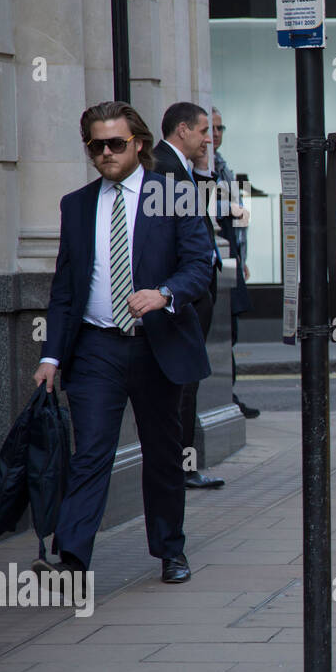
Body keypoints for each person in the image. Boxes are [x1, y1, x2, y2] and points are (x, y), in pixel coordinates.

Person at [32, 100, 214, 583]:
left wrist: (164, 294)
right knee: (91, 451)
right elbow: (65, 288)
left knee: (162, 452)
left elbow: (200, 266)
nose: (106, 152)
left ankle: (170, 551)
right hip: (96, 347)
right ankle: (71, 557)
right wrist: (51, 354)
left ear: (138, 143)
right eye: (97, 145)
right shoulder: (76, 204)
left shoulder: (174, 194)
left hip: (158, 345)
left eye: (116, 143)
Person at [153, 102, 225, 490]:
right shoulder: (163, 166)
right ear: (182, 129)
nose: (208, 138)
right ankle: (183, 466)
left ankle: (185, 464)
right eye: (202, 131)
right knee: (184, 384)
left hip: (190, 294)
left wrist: (203, 174)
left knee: (188, 383)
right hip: (181, 297)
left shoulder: (181, 167)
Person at [209, 107, 259, 419]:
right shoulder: (201, 167)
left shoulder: (223, 165)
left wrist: (242, 260)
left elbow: (240, 217)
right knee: (222, 330)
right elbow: (214, 205)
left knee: (231, 329)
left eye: (219, 128)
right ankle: (224, 395)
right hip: (217, 257)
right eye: (209, 129)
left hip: (231, 256)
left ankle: (229, 394)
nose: (214, 135)